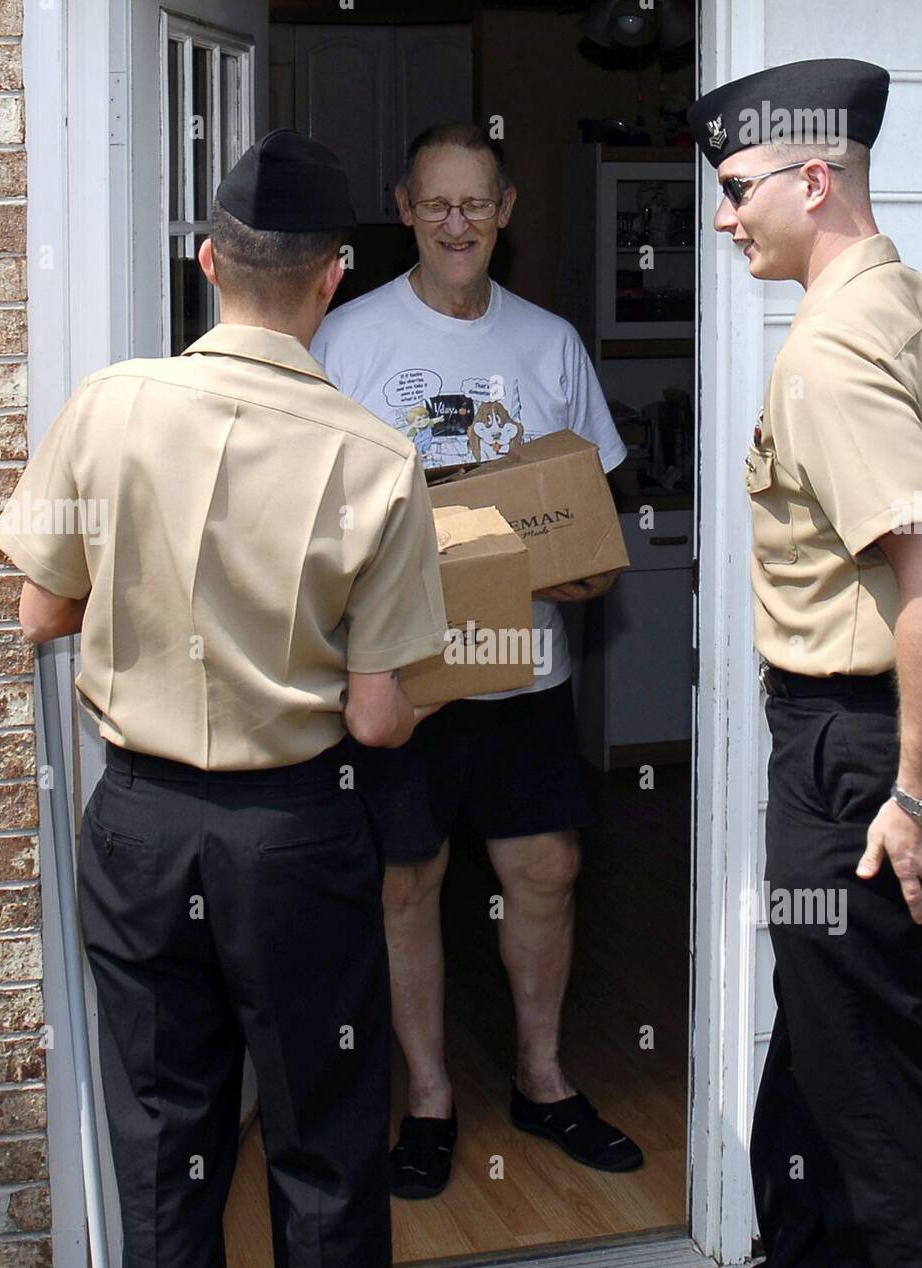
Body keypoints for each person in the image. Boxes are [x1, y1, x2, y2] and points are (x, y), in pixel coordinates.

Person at [0, 130, 449, 1268]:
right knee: (324, 1141)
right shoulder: (377, 456)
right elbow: (379, 720)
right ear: (333, 275)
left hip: (140, 826)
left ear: (207, 260)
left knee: (161, 1148)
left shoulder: (109, 404)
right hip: (294, 837)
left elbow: (41, 609)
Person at [687, 58, 922, 1268]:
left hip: (853, 761)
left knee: (869, 1073)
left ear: (809, 179)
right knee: (824, 1032)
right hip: (891, 741)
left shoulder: (830, 351)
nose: (722, 218)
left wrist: (915, 787)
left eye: (734, 190)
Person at [310, 122, 643, 1199]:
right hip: (400, 677)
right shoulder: (348, 338)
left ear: (505, 213)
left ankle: (544, 1081)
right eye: (435, 204)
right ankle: (428, 1100)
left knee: (543, 872)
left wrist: (576, 568)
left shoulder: (547, 344)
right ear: (404, 207)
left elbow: (592, 520)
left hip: (523, 676)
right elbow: (306, 514)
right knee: (407, 883)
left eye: (478, 204)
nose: (457, 224)